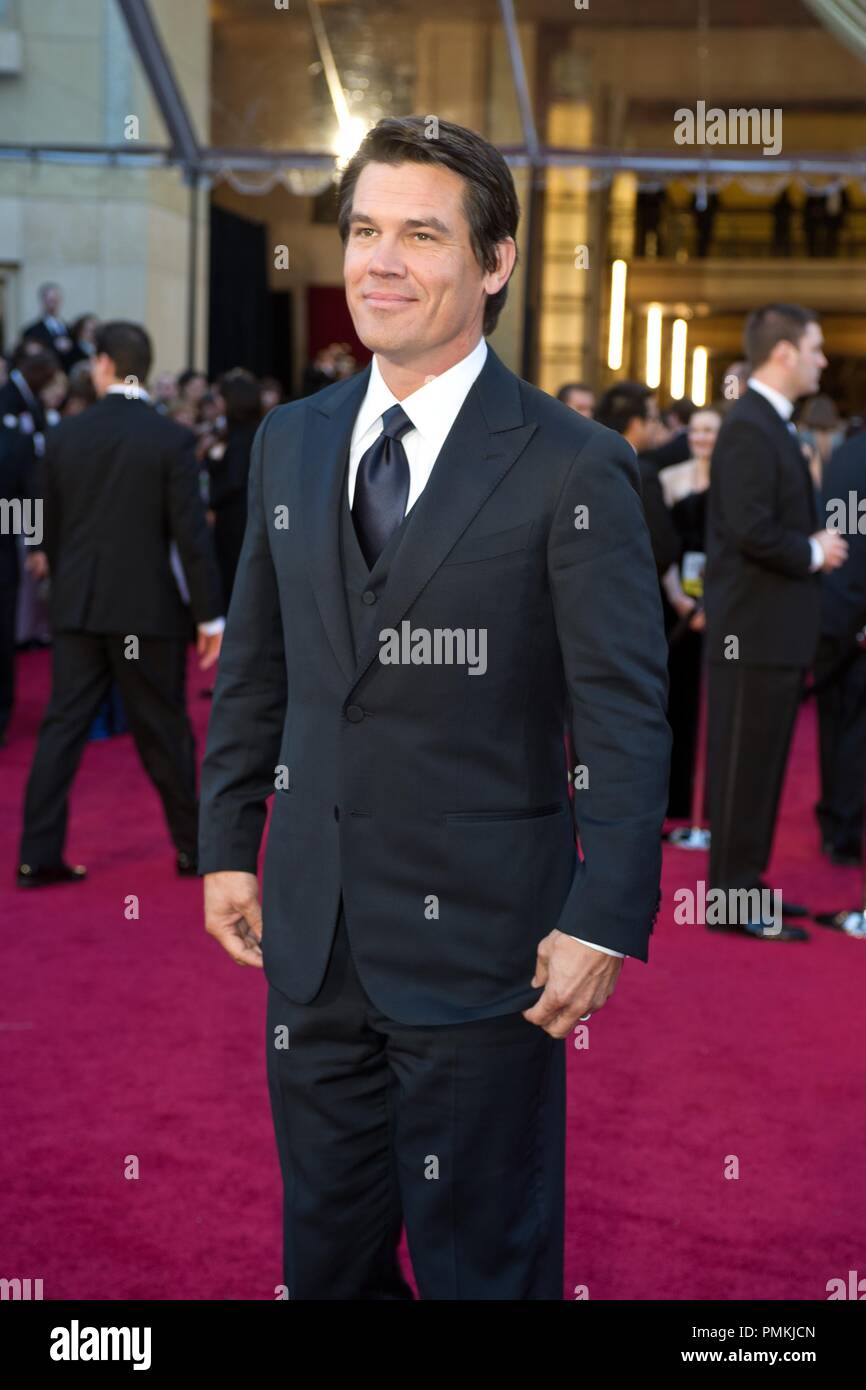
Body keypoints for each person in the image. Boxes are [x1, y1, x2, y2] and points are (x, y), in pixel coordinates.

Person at [198, 115, 671, 1301]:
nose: (379, 261)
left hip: (485, 948)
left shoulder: (572, 464)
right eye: (363, 229)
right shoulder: (288, 444)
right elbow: (259, 661)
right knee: (329, 1258)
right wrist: (223, 845)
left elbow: (620, 707)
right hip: (311, 934)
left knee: (483, 1265)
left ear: (494, 262)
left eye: (420, 232)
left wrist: (606, 910)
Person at [17, 321, 224, 888]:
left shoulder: (63, 436)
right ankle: (195, 851)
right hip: (147, 611)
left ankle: (36, 857)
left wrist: (53, 565)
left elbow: (45, 524)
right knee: (165, 730)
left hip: (78, 608)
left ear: (104, 364)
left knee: (63, 729)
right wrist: (210, 615)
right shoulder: (170, 439)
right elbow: (191, 537)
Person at [704, 303, 847, 941]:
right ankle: (730, 901)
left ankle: (747, 887)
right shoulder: (749, 426)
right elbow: (749, 528)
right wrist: (817, 549)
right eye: (816, 349)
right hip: (751, 634)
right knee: (742, 770)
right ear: (784, 353)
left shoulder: (769, 424)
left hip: (771, 632)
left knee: (760, 769)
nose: (823, 360)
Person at [658, 408, 721, 818]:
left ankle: (715, 808)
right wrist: (680, 599)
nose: (701, 437)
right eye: (696, 429)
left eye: (710, 431)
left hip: (723, 607)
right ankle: (677, 803)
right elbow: (664, 547)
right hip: (677, 606)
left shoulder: (736, 482)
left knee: (717, 708)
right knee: (677, 702)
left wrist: (716, 604)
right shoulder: (668, 478)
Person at [814, 426, 866, 865]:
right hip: (855, 612)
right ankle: (844, 828)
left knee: (835, 724)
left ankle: (834, 821)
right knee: (853, 729)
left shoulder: (844, 451)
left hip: (830, 606)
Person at [595, 381, 681, 578]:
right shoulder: (642, 474)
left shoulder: (585, 464)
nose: (658, 425)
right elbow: (663, 549)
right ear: (636, 423)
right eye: (654, 418)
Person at [206, 371, 263, 608]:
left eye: (220, 398)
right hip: (247, 516)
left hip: (235, 520)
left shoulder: (240, 437)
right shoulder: (254, 430)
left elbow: (234, 480)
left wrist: (209, 501)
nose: (216, 403)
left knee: (234, 581)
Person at [0, 423, 33, 745]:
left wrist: (37, 547)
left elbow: (30, 494)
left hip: (3, 557)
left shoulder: (17, 442)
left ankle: (1, 715)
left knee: (3, 638)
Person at [20, 282, 76, 371]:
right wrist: (54, 346)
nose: (53, 305)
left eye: (55, 301)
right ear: (43, 301)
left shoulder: (68, 329)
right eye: (50, 300)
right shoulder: (32, 331)